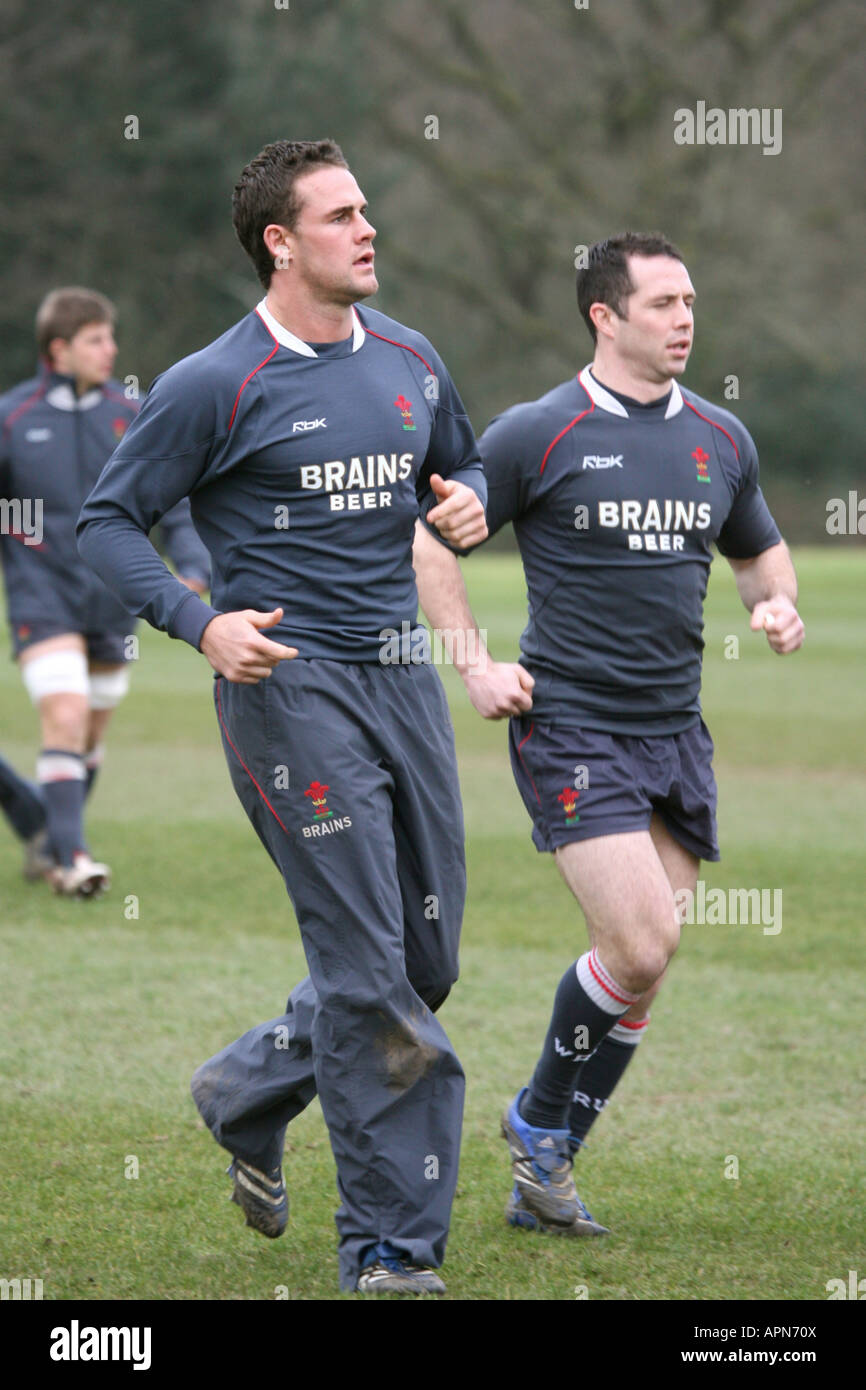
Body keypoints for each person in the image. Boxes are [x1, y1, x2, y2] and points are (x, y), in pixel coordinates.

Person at [77, 139, 488, 1295]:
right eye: (341, 215)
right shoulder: (214, 381)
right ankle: (389, 1248)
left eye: (365, 211)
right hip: (287, 694)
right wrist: (198, 620)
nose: (367, 229)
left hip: (401, 681)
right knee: (368, 974)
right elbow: (107, 522)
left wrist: (468, 502)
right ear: (280, 242)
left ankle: (245, 1089)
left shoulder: (409, 357)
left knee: (423, 959)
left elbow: (460, 471)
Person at [412, 231, 805, 1237]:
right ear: (604, 315)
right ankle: (535, 1121)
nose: (684, 320)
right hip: (571, 727)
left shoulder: (719, 436)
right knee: (640, 940)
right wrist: (475, 665)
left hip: (675, 733)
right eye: (663, 303)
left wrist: (774, 604)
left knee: (641, 968)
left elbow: (758, 553)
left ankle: (545, 1162)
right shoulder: (537, 432)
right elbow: (432, 542)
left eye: (689, 302)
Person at [0, 288, 210, 896]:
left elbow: (174, 501)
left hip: (117, 601)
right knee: (64, 719)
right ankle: (75, 861)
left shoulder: (132, 412)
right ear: (58, 349)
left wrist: (192, 563)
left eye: (110, 337)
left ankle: (45, 833)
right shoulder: (12, 418)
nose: (110, 349)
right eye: (95, 339)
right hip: (41, 596)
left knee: (87, 736)